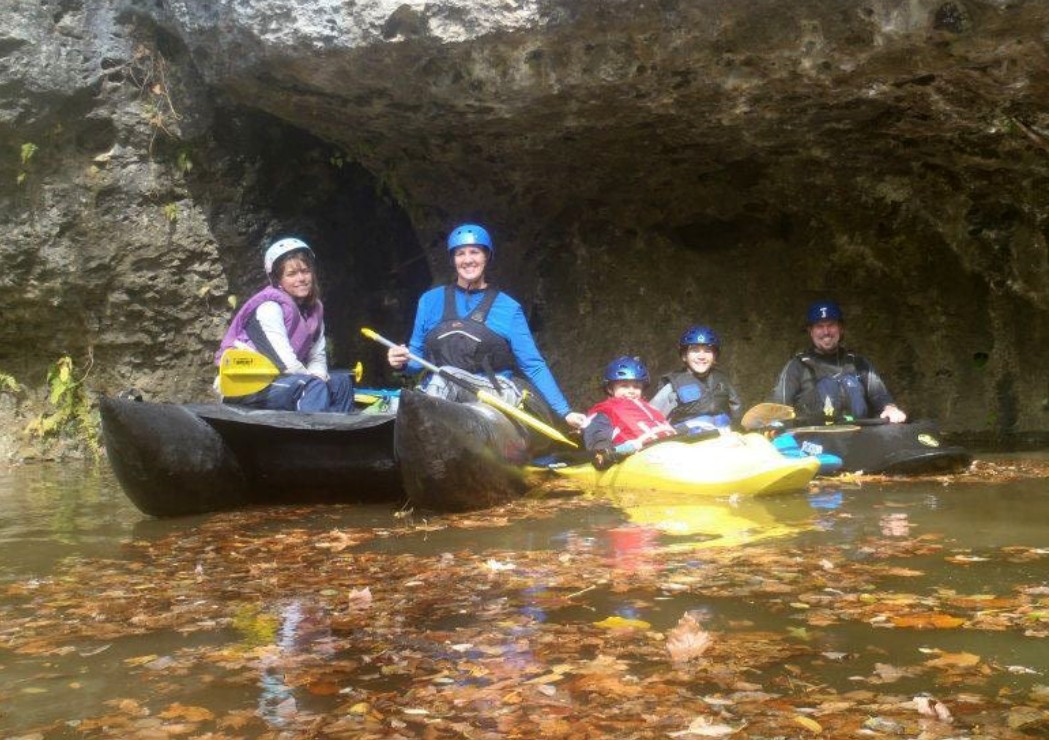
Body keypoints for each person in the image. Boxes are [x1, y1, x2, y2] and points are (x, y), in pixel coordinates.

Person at [386, 223, 587, 429]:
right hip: (439, 390)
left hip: (493, 390)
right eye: (460, 253)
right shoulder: (430, 301)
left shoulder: (508, 308)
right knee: (433, 385)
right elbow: (416, 361)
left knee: (446, 377)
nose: (467, 260)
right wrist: (402, 361)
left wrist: (565, 412)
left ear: (487, 256)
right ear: (453, 260)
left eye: (474, 252)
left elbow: (533, 365)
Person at [215, 237, 354, 412]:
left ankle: (336, 429)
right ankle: (311, 430)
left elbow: (317, 356)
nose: (301, 278)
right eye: (292, 274)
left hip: (286, 381)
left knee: (341, 383)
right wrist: (316, 382)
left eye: (305, 271)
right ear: (277, 280)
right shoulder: (268, 308)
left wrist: (319, 376)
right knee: (311, 386)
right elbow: (286, 364)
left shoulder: (314, 310)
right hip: (247, 385)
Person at [768, 299, 907, 424]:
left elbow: (882, 398)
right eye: (819, 326)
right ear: (811, 331)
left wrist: (890, 409)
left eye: (831, 325)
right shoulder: (797, 366)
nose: (826, 332)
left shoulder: (859, 363)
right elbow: (777, 408)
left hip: (859, 438)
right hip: (814, 440)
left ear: (841, 328)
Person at [583, 356, 676, 469]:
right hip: (635, 460)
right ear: (610, 389)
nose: (631, 391)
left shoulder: (651, 409)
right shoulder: (604, 412)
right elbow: (598, 437)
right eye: (624, 386)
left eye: (636, 387)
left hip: (668, 450)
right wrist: (603, 452)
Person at [650, 324, 743, 434]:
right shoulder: (674, 385)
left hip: (721, 437)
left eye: (707, 351)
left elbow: (737, 411)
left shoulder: (722, 380)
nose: (701, 356)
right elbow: (651, 418)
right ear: (684, 356)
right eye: (695, 350)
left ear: (714, 356)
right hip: (687, 440)